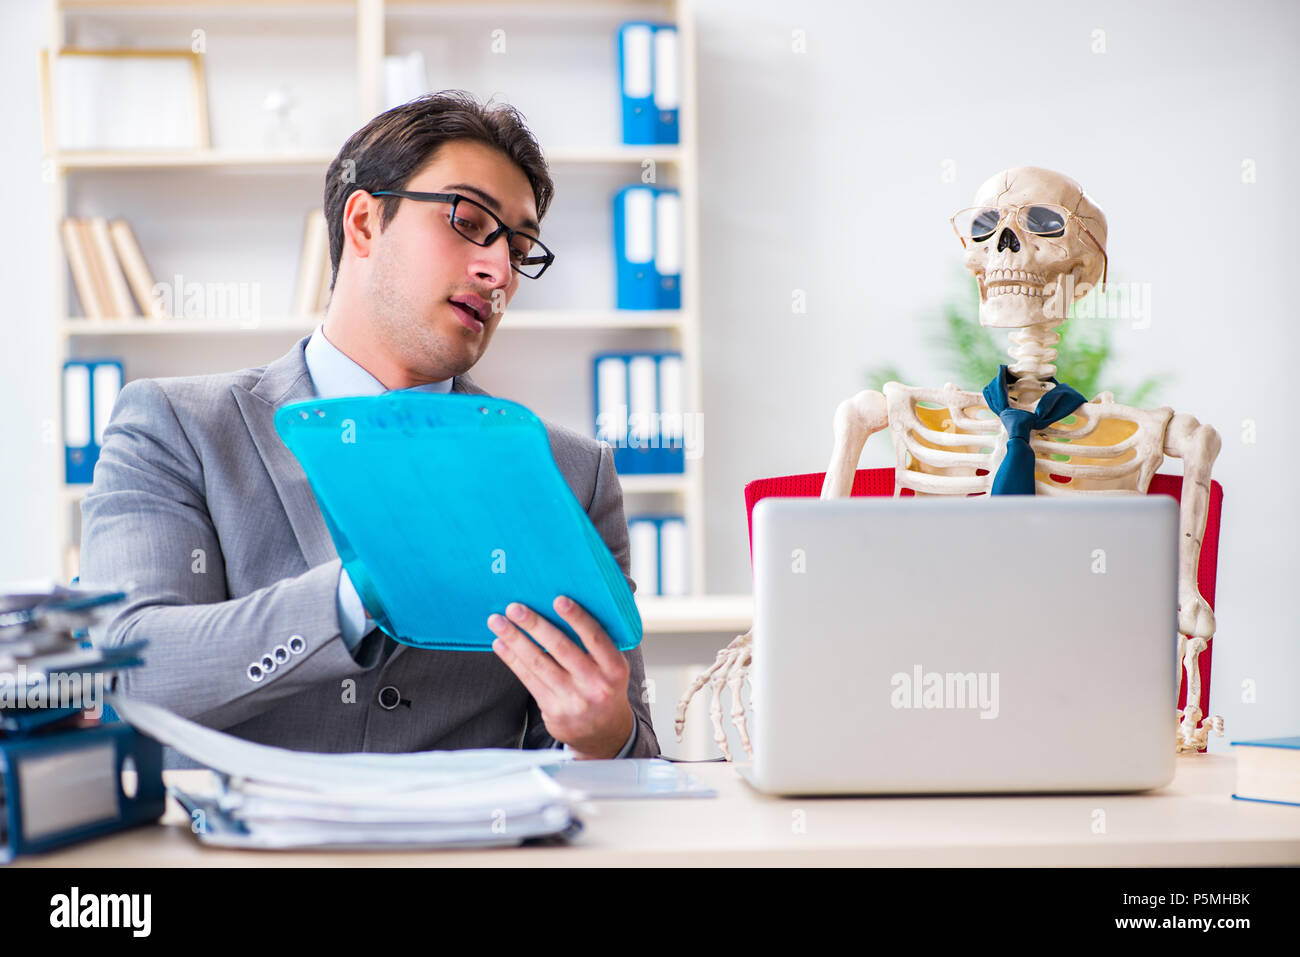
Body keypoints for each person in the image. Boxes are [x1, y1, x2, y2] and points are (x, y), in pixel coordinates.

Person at [80, 91, 659, 767]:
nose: (497, 271)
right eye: (468, 221)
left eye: (519, 246)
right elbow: (135, 672)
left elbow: (636, 757)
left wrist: (604, 733)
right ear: (363, 222)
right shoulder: (175, 428)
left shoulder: (574, 473)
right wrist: (363, 588)